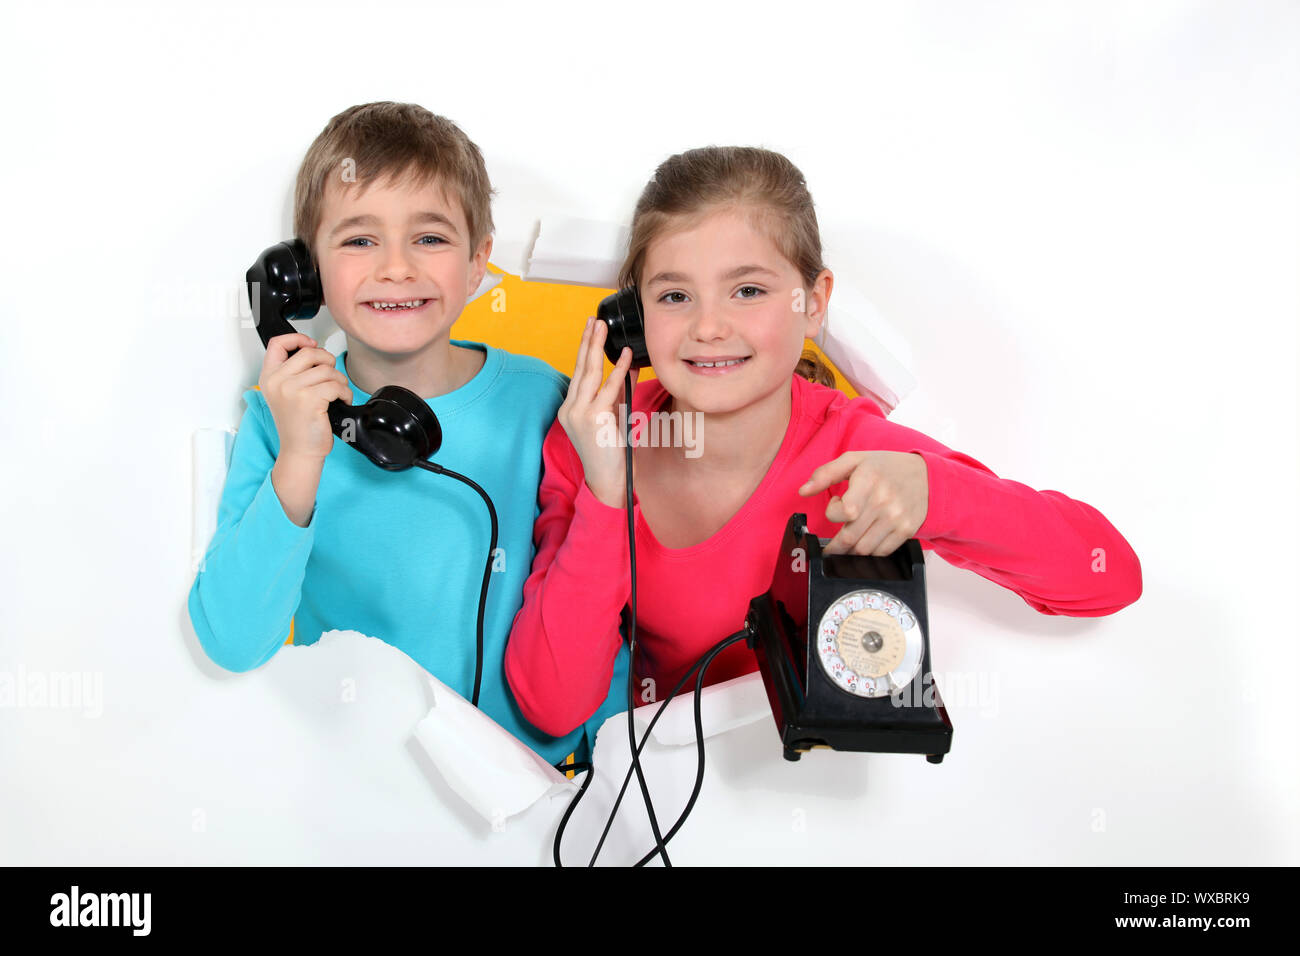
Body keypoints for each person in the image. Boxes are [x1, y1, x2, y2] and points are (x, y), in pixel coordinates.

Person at [504, 145, 1142, 738]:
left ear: (813, 303)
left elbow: (1109, 575)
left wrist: (935, 493)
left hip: (817, 784)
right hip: (672, 796)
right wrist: (606, 495)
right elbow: (552, 705)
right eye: (674, 295)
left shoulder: (855, 447)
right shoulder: (596, 444)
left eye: (747, 290)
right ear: (635, 318)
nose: (707, 326)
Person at [188, 102, 625, 766]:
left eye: (430, 239)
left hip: (547, 780)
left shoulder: (547, 403)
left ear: (478, 261)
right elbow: (232, 637)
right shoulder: (278, 421)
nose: (396, 268)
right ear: (306, 275)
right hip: (371, 780)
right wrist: (304, 454)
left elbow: (597, 589)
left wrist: (611, 766)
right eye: (360, 240)